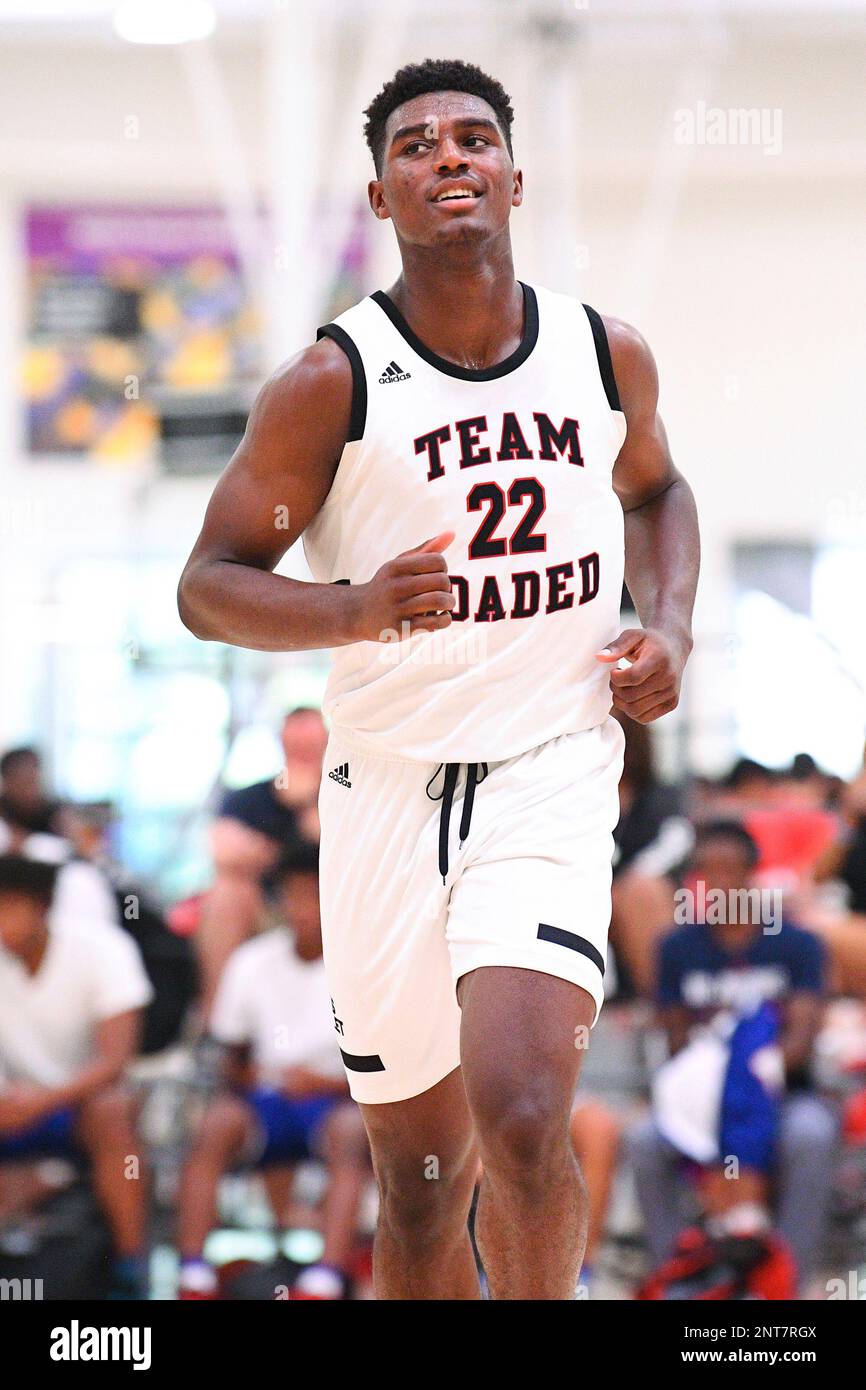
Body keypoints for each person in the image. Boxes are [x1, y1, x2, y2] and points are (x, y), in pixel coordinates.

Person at [178, 58, 699, 1299]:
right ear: (378, 193)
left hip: (548, 767)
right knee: (418, 1190)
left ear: (514, 177)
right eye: (418, 146)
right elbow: (207, 584)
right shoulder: (331, 381)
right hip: (383, 791)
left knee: (523, 1116)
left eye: (473, 140)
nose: (449, 158)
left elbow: (658, 492)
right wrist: (350, 608)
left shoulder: (600, 353)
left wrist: (667, 622)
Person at [629, 820, 836, 1291]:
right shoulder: (677, 948)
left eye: (731, 869)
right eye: (707, 871)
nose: (719, 882)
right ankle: (679, 1279)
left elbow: (799, 1044)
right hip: (700, 1097)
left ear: (752, 874)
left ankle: (783, 1281)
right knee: (643, 1139)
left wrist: (746, 1079)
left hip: (779, 1093)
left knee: (812, 1133)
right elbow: (676, 1042)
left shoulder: (797, 944)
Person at [177, 843, 369, 1301]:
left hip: (338, 1099)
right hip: (266, 1099)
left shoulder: (361, 965)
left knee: (350, 1134)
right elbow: (231, 1054)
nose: (304, 909)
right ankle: (194, 1270)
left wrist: (322, 1083)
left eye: (313, 895)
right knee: (215, 1125)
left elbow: (385, 1066)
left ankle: (326, 1274)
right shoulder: (251, 962)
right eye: (293, 895)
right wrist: (257, 1078)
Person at [0, 854, 154, 1298]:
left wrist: (41, 1102)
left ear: (43, 905)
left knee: (111, 1113)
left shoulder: (104, 948)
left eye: (9, 908)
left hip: (87, 1102)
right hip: (15, 1104)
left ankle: (129, 1269)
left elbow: (115, 1061)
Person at [196, 707, 327, 1013]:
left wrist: (308, 802)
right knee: (226, 894)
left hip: (330, 905)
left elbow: (338, 843)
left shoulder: (342, 793)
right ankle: (217, 1022)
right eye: (296, 744)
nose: (303, 753)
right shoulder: (249, 798)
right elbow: (225, 853)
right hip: (268, 906)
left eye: (311, 745)